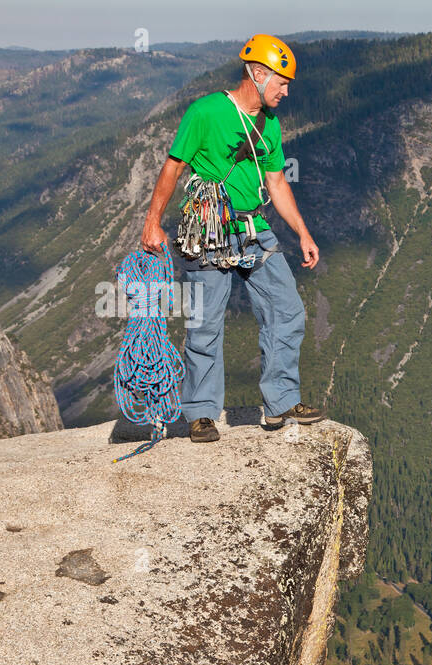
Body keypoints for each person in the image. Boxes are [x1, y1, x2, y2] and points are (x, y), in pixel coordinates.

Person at [140, 33, 324, 442]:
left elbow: (275, 180)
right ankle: (202, 413)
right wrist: (152, 222)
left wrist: (302, 232)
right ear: (257, 74)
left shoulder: (270, 124)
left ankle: (280, 403)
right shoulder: (205, 112)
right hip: (209, 229)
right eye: (281, 82)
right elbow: (172, 168)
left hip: (254, 230)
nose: (286, 91)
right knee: (205, 323)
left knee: (287, 309)